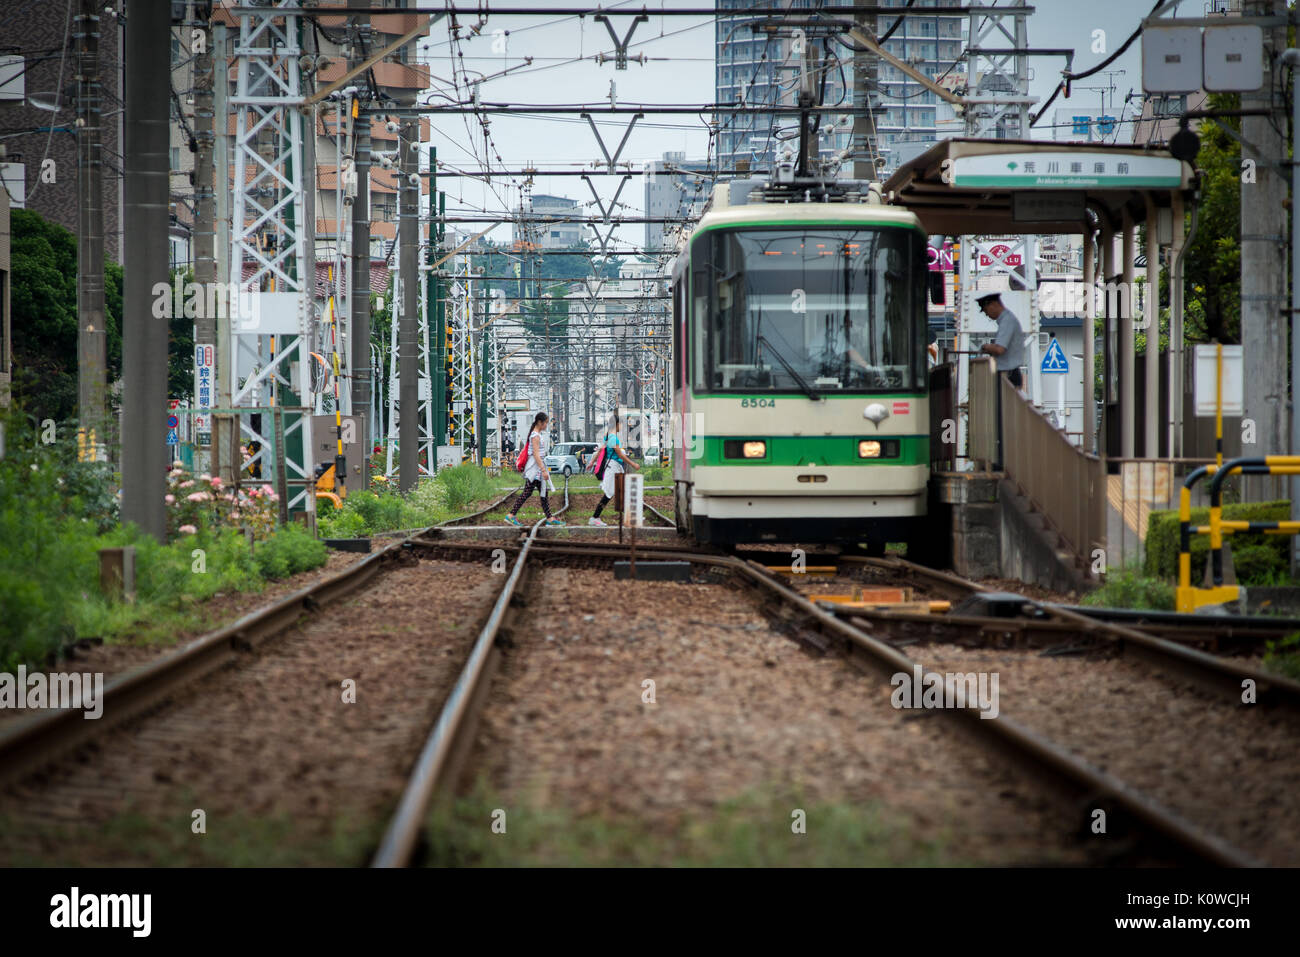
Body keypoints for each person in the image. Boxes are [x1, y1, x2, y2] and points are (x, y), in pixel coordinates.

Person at [505, 412, 563, 527]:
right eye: (546, 422)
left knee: (541, 493)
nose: (547, 425)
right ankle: (511, 516)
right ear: (540, 422)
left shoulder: (536, 434)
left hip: (537, 469)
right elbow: (536, 454)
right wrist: (543, 470)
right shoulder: (535, 436)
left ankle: (549, 518)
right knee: (529, 492)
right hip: (535, 470)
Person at [589, 411, 640, 527]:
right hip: (613, 468)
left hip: (615, 467)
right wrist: (633, 464)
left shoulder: (609, 437)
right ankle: (595, 517)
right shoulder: (612, 438)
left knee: (624, 491)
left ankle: (631, 515)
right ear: (616, 424)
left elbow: (601, 450)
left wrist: (592, 462)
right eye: (621, 424)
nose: (621, 426)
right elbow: (620, 455)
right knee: (609, 493)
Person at [976, 292, 1025, 390]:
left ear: (993, 305)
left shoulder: (1007, 321)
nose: (987, 314)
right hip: (1009, 373)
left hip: (1008, 375)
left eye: (986, 310)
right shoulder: (1008, 319)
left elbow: (999, 349)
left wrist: (986, 347)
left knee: (1005, 404)